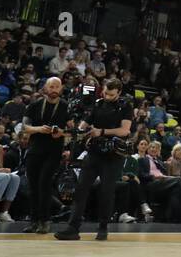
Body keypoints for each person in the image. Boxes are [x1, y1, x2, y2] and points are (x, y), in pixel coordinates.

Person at [56, 79, 133, 241]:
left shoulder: (125, 106)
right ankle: (73, 227)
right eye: (105, 92)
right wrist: (72, 132)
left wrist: (102, 131)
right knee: (81, 189)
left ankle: (103, 227)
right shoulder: (97, 104)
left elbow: (125, 131)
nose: (107, 96)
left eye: (111, 94)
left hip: (113, 155)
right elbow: (83, 126)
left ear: (119, 93)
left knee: (106, 192)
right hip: (94, 153)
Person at [21, 77, 70, 233]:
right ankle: (34, 220)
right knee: (33, 186)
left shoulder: (66, 107)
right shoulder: (34, 105)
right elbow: (24, 127)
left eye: (57, 86)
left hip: (54, 151)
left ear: (61, 88)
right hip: (35, 149)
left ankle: (45, 220)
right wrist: (39, 129)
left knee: (44, 183)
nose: (54, 89)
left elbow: (73, 130)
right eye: (51, 86)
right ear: (45, 88)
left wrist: (61, 133)